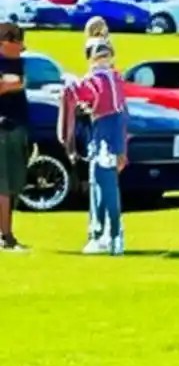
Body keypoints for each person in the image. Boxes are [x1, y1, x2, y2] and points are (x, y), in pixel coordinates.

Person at [65, 40, 129, 256]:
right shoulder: (115, 78)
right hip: (110, 137)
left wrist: (70, 82)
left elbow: (81, 94)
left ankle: (111, 235)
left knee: (105, 189)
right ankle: (102, 234)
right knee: (100, 187)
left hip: (104, 138)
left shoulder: (98, 79)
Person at [0, 23, 28, 251]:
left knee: (15, 184)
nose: (22, 47)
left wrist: (10, 82)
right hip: (3, 128)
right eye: (18, 42)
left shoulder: (17, 62)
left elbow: (18, 82)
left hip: (19, 127)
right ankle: (5, 235)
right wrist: (10, 83)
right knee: (4, 184)